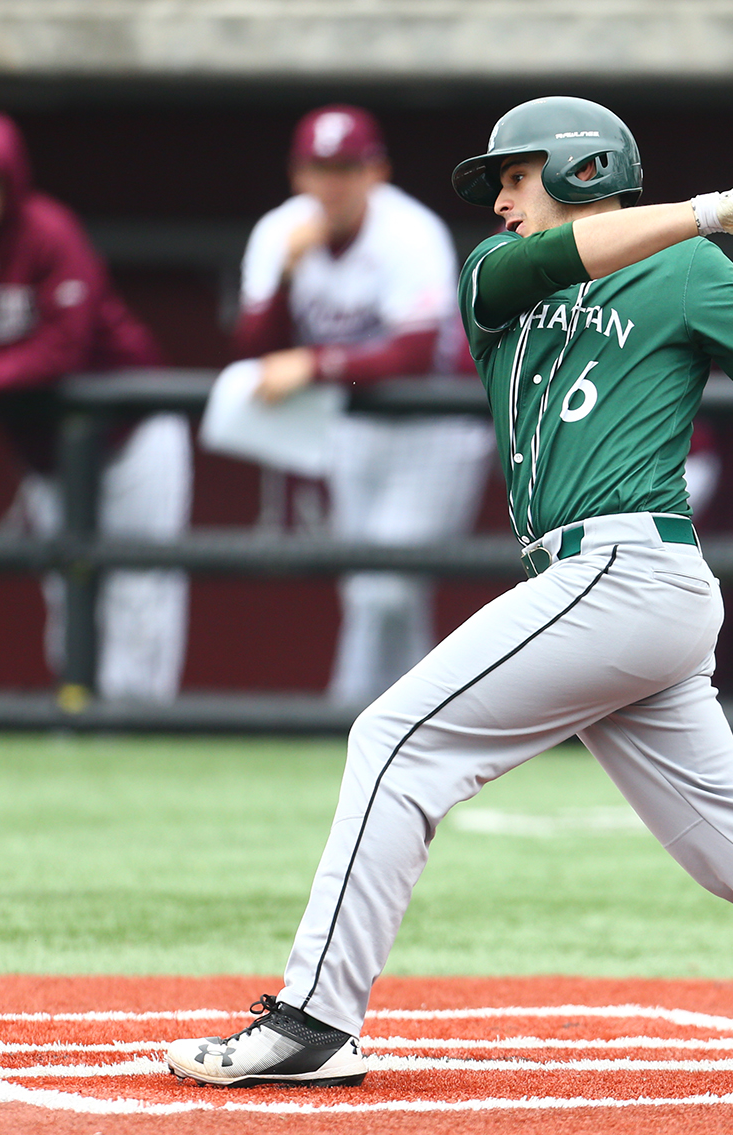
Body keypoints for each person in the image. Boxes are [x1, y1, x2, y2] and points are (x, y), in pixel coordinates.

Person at [164, 95, 733, 1090]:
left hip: (627, 570)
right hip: (604, 590)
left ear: (580, 169)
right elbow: (558, 259)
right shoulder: (496, 274)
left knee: (393, 740)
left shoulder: (685, 266)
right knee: (731, 839)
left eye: (514, 176)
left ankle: (314, 1020)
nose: (499, 200)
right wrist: (708, 209)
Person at [0, 111, 190, 703]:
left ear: (11, 186)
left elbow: (63, 349)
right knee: (66, 585)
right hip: (46, 450)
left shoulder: (49, 232)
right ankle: (78, 718)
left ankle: (134, 727)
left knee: (137, 588)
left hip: (131, 434)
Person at [231, 105, 493, 705]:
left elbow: (414, 350)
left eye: (347, 168)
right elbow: (253, 348)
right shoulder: (282, 233)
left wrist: (316, 364)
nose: (332, 184)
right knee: (372, 589)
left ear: (376, 172)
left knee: (387, 589)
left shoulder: (409, 230)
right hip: (351, 428)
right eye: (320, 169)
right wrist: (286, 277)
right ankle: (420, 719)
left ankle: (352, 714)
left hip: (432, 427)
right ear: (299, 174)